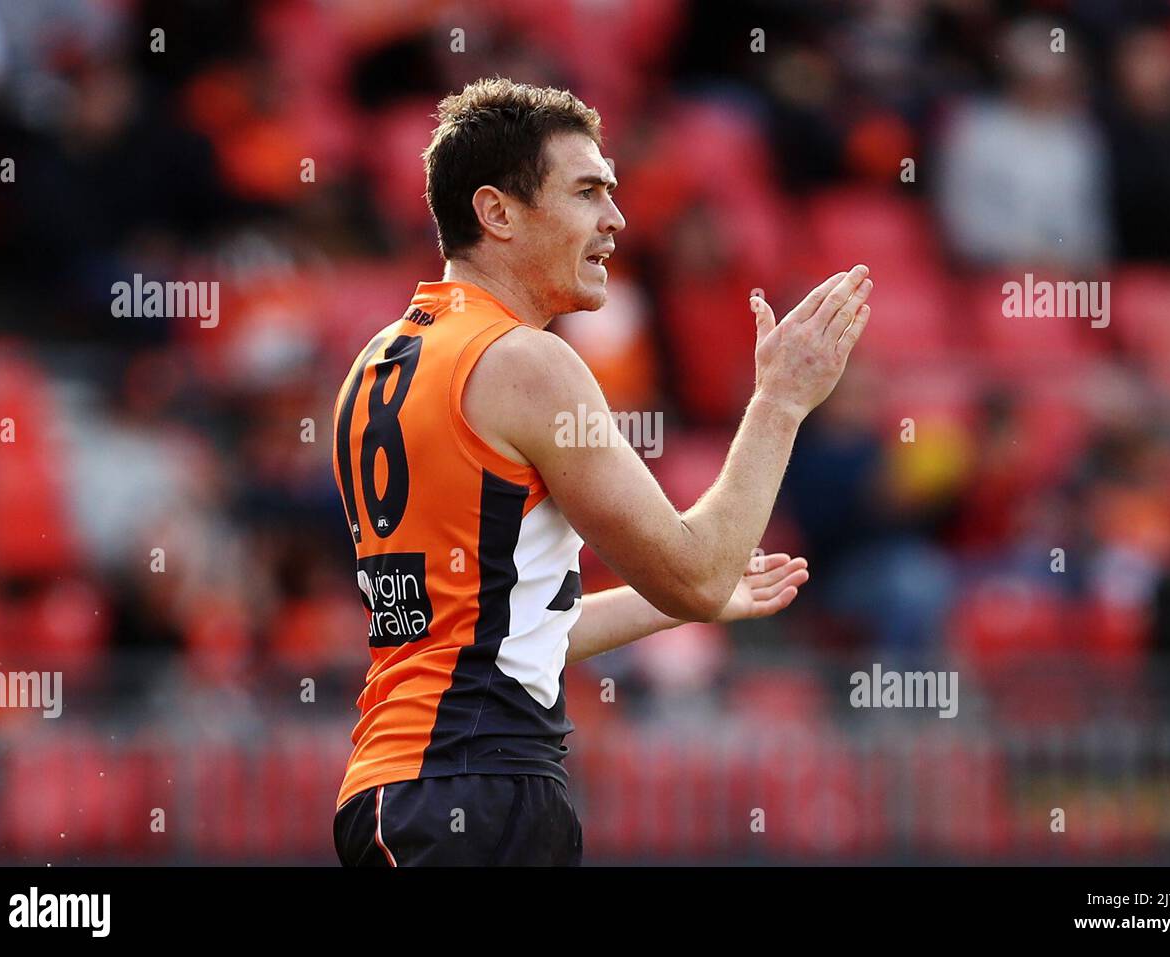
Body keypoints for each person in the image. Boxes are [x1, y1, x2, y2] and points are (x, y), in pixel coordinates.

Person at [331, 77, 873, 866]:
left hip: (403, 785)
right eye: (587, 192)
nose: (616, 220)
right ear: (497, 213)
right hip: (479, 790)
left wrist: (681, 606)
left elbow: (495, 633)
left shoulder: (379, 362)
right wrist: (781, 403)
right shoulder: (527, 363)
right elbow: (693, 569)